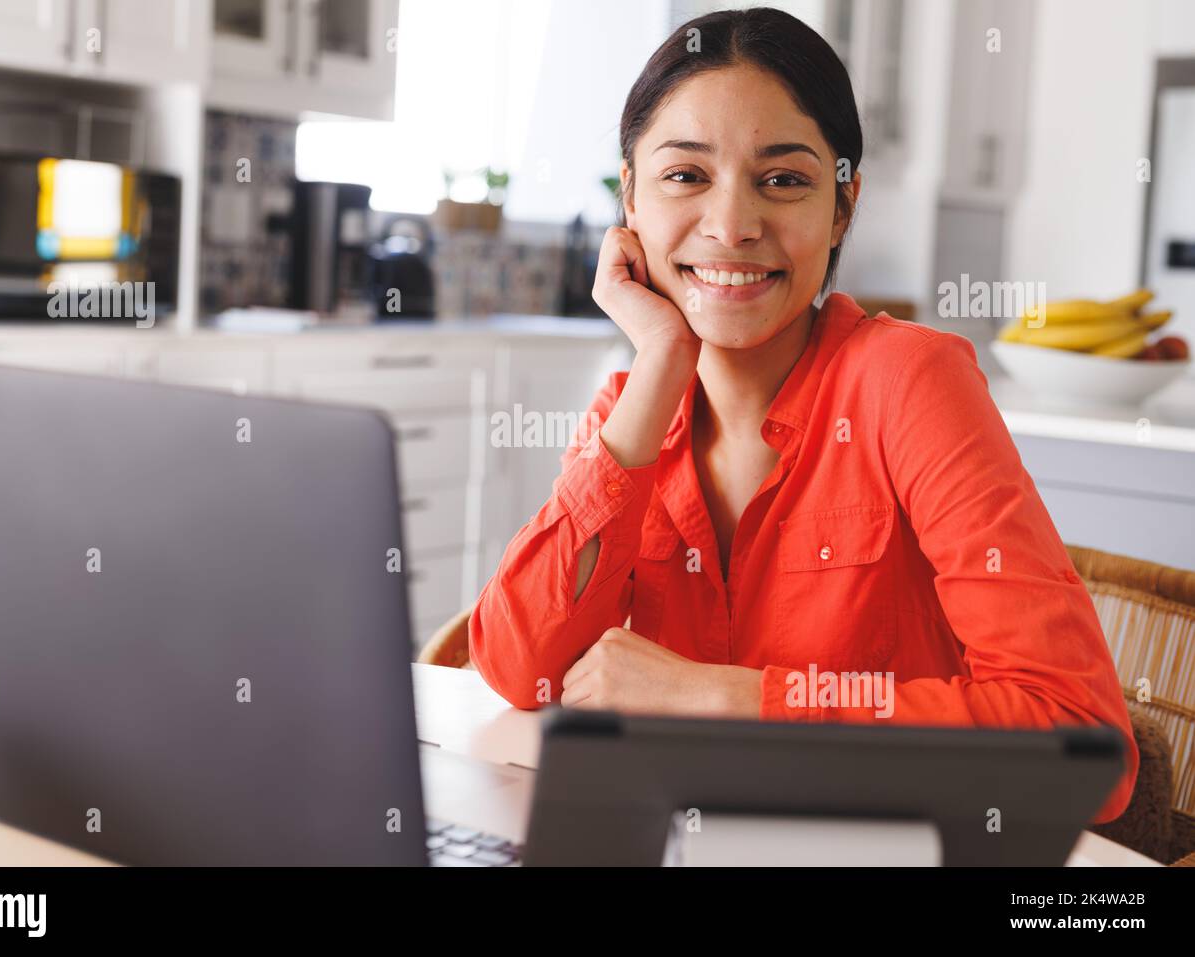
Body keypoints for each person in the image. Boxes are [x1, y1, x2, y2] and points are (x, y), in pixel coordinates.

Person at [467, 7, 1137, 824]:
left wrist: (731, 698)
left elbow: (1083, 745)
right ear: (629, 198)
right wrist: (661, 365)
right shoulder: (636, 411)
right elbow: (517, 667)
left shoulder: (910, 382)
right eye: (686, 175)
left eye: (783, 179)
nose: (732, 225)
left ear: (843, 206)